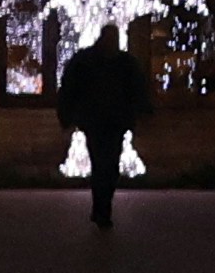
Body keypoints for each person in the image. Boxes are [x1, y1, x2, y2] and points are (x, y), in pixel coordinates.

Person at [55, 24, 150, 227]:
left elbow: (137, 91)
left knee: (107, 166)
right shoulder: (99, 62)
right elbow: (70, 88)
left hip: (109, 122)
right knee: (103, 165)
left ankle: (101, 207)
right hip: (99, 122)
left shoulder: (120, 63)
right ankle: (102, 209)